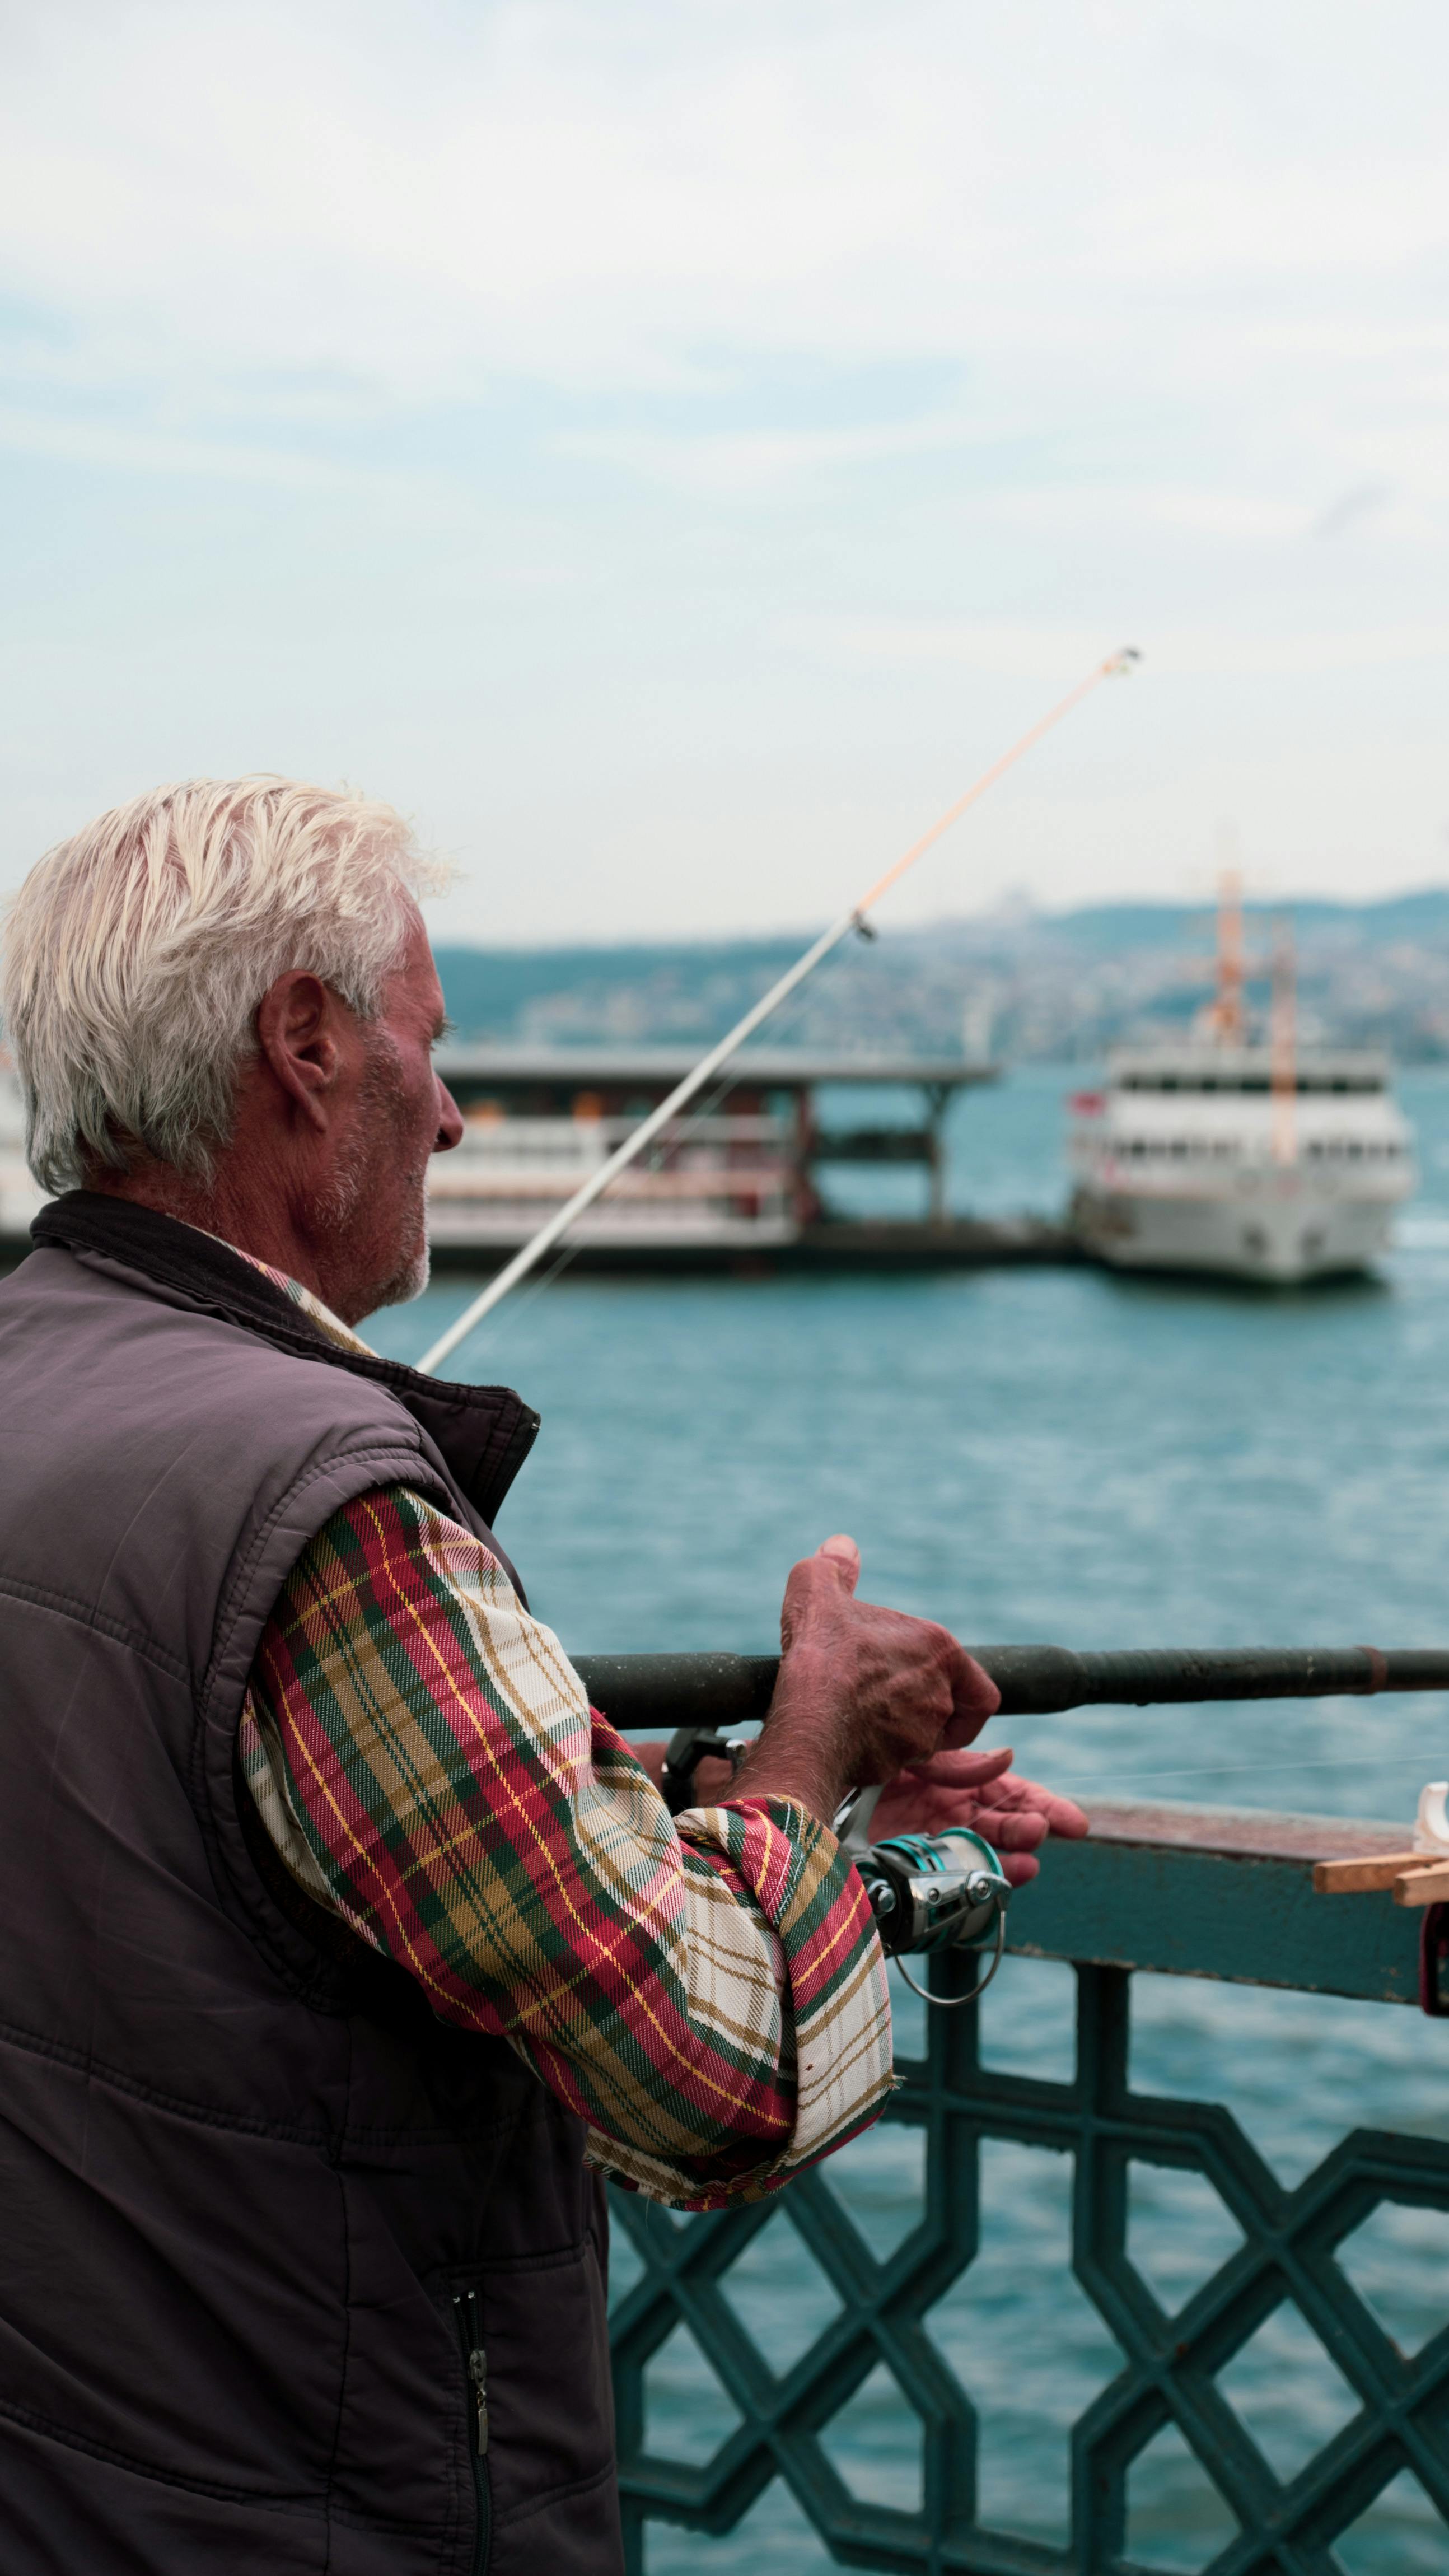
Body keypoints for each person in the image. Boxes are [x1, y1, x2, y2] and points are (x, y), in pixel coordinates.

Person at [0, 778, 1086, 2575]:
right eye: (428, 1048)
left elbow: (198, 1831)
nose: (445, 1110)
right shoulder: (319, 1504)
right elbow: (717, 2079)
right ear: (303, 1046)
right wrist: (810, 1749)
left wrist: (669, 1798)